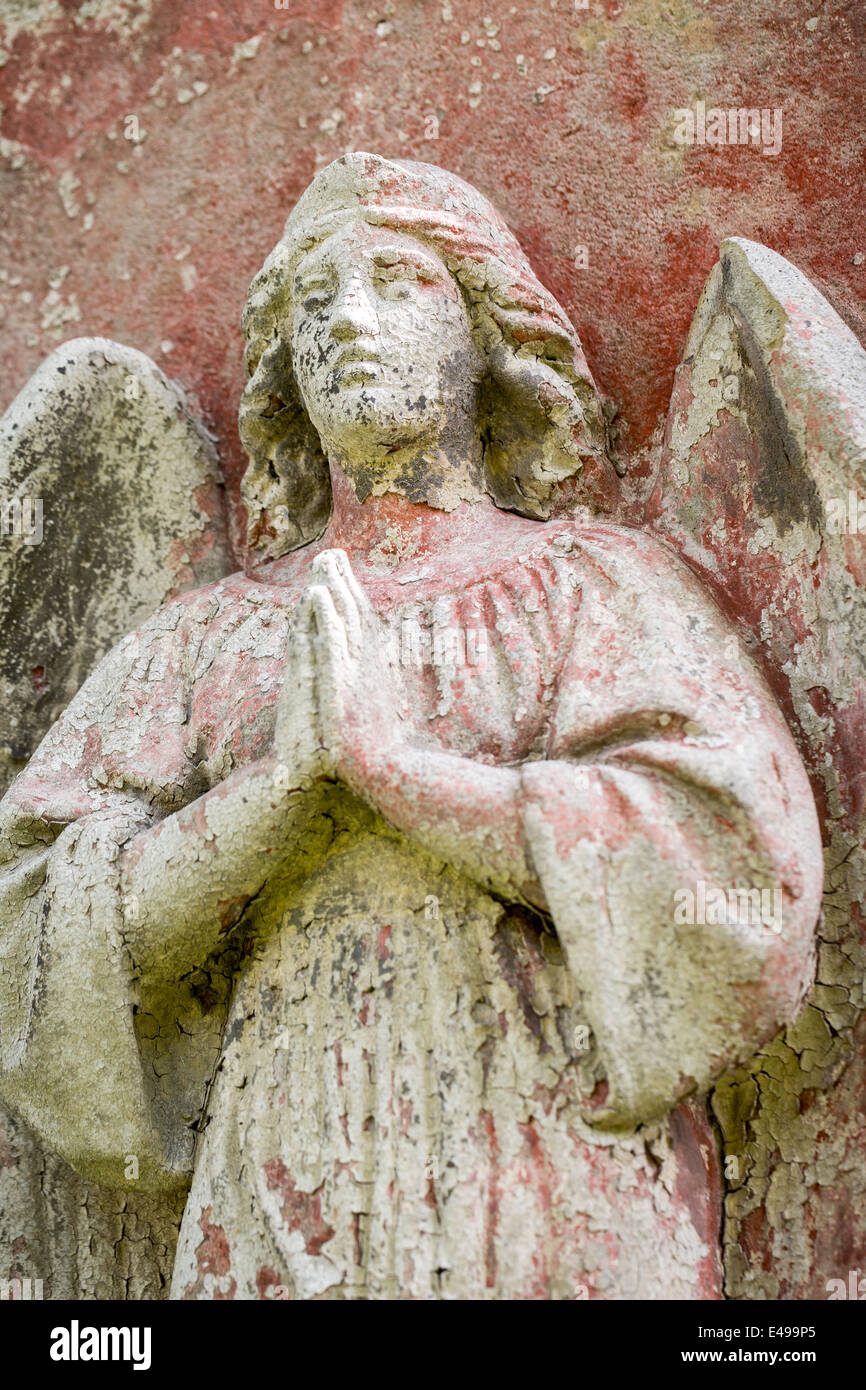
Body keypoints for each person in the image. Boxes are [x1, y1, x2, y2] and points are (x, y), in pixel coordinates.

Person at [0, 154, 822, 1299]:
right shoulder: (205, 642)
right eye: (311, 301)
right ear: (283, 365)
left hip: (549, 1168)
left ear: (490, 333)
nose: (349, 319)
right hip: (284, 1175)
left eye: (400, 281)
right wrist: (275, 795)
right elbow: (36, 938)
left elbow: (737, 870)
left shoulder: (596, 588)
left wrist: (399, 774)